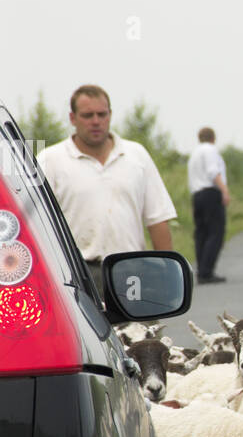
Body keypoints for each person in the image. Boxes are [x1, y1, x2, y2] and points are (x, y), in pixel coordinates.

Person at [39, 85, 176, 297]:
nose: (95, 121)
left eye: (101, 114)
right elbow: (35, 226)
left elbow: (158, 219)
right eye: (87, 115)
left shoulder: (136, 155)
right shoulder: (50, 160)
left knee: (142, 330)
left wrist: (167, 276)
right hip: (77, 274)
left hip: (132, 270)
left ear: (110, 115)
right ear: (72, 118)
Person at [187, 127, 230, 283]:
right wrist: (224, 191)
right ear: (213, 138)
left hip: (197, 195)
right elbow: (213, 172)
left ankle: (201, 270)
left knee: (201, 234)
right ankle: (207, 271)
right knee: (215, 232)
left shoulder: (195, 153)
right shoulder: (210, 150)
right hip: (211, 193)